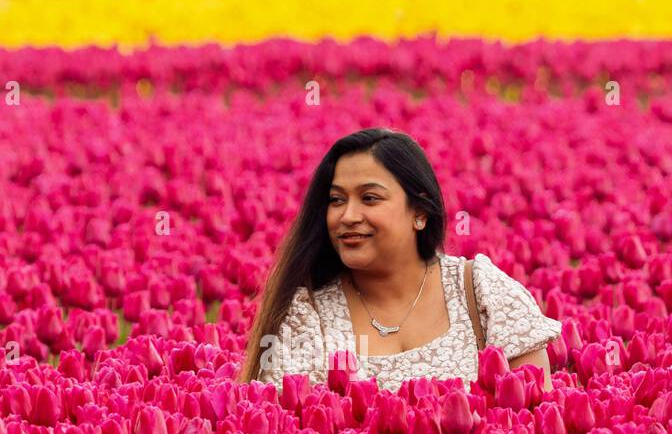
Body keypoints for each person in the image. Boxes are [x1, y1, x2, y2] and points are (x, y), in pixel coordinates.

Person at [239, 128, 562, 394]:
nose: (348, 216)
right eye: (336, 200)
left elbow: (533, 421)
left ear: (419, 213)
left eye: (370, 198)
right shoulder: (308, 314)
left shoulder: (483, 294)